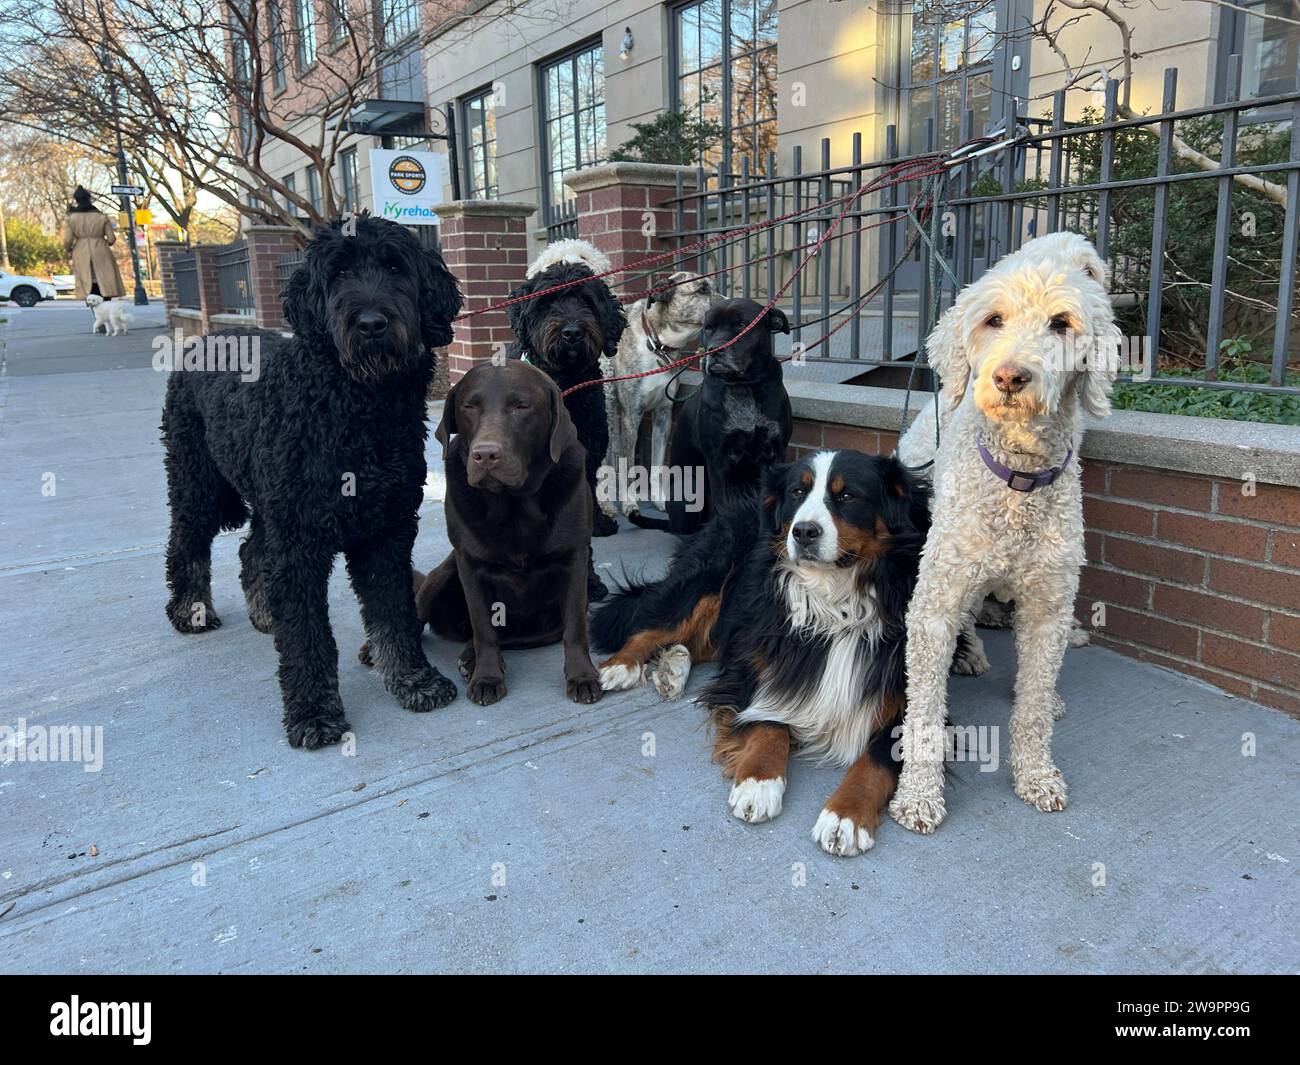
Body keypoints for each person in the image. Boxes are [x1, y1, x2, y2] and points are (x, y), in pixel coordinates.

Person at [62, 186, 125, 301]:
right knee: (104, 278)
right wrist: (103, 242)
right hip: (101, 248)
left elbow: (67, 240)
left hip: (81, 249)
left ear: (76, 200)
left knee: (87, 278)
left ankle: (95, 307)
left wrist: (69, 249)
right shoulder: (101, 216)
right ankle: (106, 303)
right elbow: (111, 238)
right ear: (89, 199)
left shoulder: (71, 218)